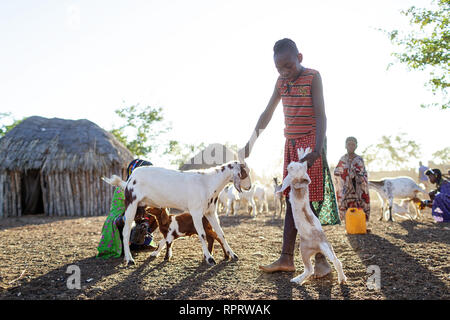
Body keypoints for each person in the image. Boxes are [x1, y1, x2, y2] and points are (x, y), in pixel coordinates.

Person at [239, 38, 339, 276]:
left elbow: (321, 115)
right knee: (292, 201)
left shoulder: (313, 77)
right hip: (292, 144)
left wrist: (316, 150)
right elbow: (267, 113)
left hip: (310, 145)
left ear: (300, 58)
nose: (285, 72)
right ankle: (286, 257)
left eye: (289, 66)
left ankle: (322, 259)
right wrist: (250, 143)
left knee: (309, 201)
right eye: (279, 68)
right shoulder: (281, 82)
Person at [96, 159, 158, 259]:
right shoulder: (122, 188)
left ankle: (138, 244)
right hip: (119, 219)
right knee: (128, 218)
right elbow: (130, 208)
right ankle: (125, 243)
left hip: (136, 217)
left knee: (158, 212)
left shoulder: (146, 190)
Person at [333, 137, 370, 221]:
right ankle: (350, 225)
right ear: (345, 146)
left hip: (358, 189)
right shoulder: (343, 159)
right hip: (346, 189)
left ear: (356, 146)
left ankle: (360, 224)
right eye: (349, 144)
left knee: (359, 206)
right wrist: (346, 173)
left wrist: (356, 174)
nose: (351, 146)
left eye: (353, 144)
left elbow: (363, 173)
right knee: (347, 206)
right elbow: (336, 172)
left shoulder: (359, 159)